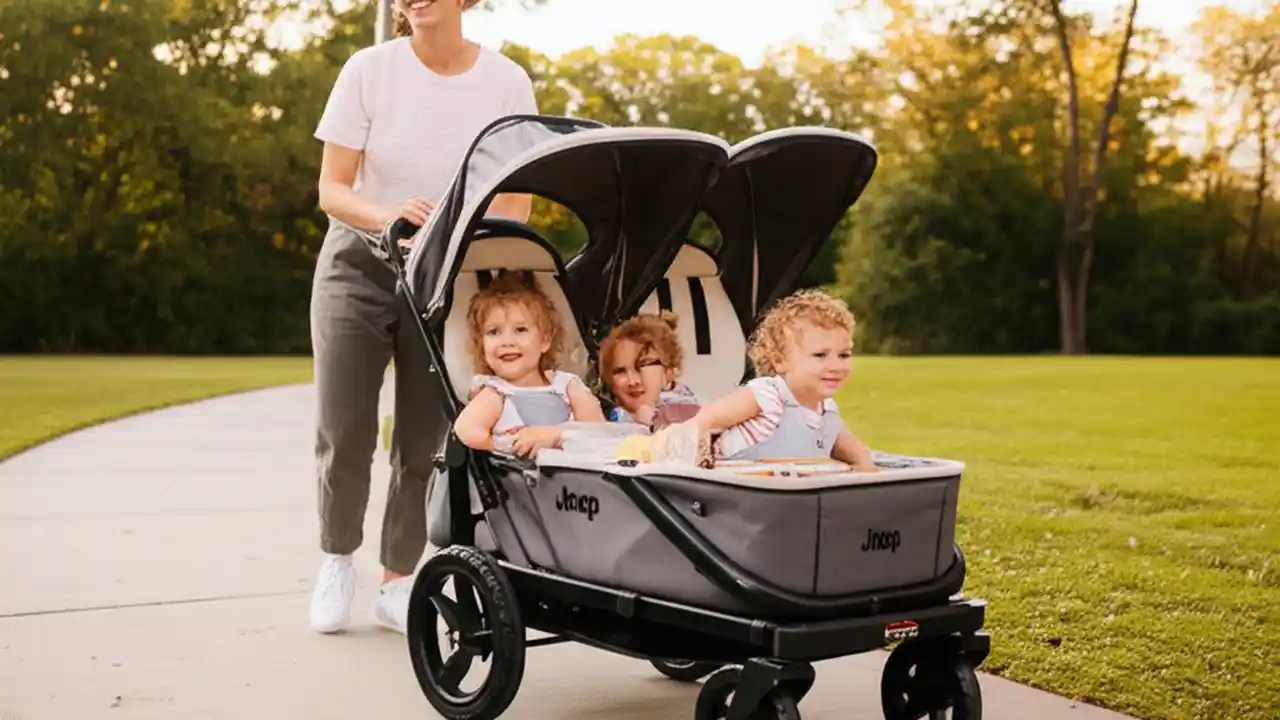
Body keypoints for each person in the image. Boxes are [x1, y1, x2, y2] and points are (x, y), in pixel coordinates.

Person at [308, 0, 538, 636]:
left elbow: (517, 198)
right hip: (360, 262)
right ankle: (336, 560)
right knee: (344, 428)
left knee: (424, 439)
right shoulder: (367, 69)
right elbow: (332, 189)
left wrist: (462, 239)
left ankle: (397, 577)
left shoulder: (506, 82)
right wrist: (390, 219)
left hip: (447, 274)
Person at [685, 290, 879, 471]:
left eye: (843, 355)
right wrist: (700, 464)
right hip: (734, 494)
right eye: (820, 355)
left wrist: (868, 476)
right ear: (779, 361)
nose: (836, 366)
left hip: (792, 499)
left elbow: (859, 456)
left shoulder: (826, 411)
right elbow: (701, 423)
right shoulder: (766, 396)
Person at [453, 272, 604, 455]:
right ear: (482, 346)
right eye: (494, 332)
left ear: (545, 341)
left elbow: (600, 432)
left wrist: (554, 435)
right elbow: (467, 431)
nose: (507, 341)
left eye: (520, 330)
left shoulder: (566, 386)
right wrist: (508, 445)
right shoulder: (497, 393)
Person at [598, 312, 700, 429]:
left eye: (641, 366)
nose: (632, 381)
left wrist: (654, 422)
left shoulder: (687, 414)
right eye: (620, 371)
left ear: (668, 372)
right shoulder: (608, 418)